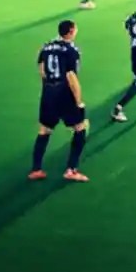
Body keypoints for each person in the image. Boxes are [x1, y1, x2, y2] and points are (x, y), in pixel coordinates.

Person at [29, 20, 90, 182]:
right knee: (80, 128)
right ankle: (71, 169)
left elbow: (42, 69)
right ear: (70, 31)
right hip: (65, 92)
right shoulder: (71, 50)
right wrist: (78, 101)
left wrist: (49, 87)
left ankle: (36, 169)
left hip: (49, 91)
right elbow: (71, 76)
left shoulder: (47, 46)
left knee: (44, 130)